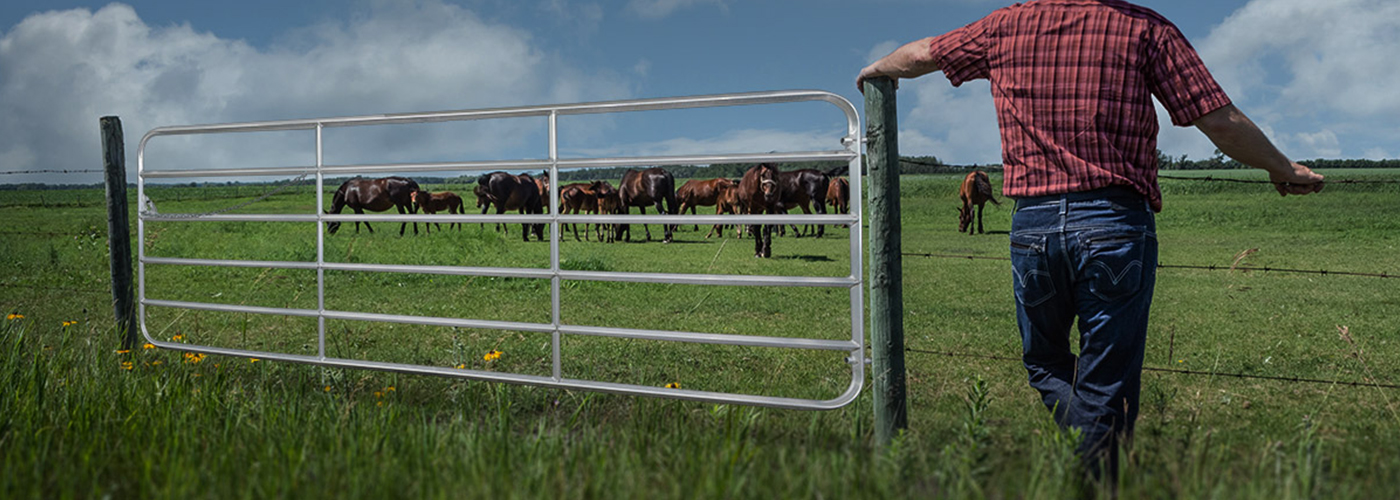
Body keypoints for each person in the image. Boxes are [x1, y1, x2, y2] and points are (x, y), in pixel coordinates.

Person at [856, 0, 1324, 482]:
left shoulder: (1004, 26)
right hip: (1113, 221)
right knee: (1107, 381)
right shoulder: (1145, 29)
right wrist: (1282, 167)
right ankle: (1097, 476)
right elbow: (1218, 119)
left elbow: (921, 54)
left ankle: (1086, 469)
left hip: (1034, 225)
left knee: (1045, 363)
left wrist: (876, 69)